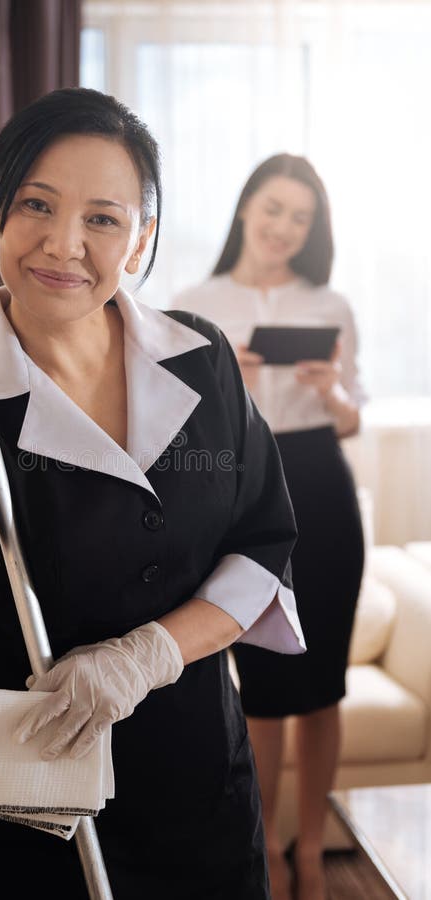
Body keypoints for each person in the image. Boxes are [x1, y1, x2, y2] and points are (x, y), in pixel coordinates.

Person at [0, 91, 306, 900]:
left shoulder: (200, 359)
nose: (64, 244)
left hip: (191, 787)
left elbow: (260, 545)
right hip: (10, 800)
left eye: (103, 219)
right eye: (36, 203)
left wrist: (153, 654)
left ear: (138, 240)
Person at [173, 153, 366, 900]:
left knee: (323, 688)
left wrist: (334, 390)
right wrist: (235, 391)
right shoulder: (195, 302)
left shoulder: (330, 303)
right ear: (245, 207)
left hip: (321, 483)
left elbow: (351, 420)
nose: (284, 227)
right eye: (273, 208)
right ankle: (268, 855)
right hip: (239, 482)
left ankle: (311, 848)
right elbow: (176, 434)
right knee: (259, 687)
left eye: (301, 217)